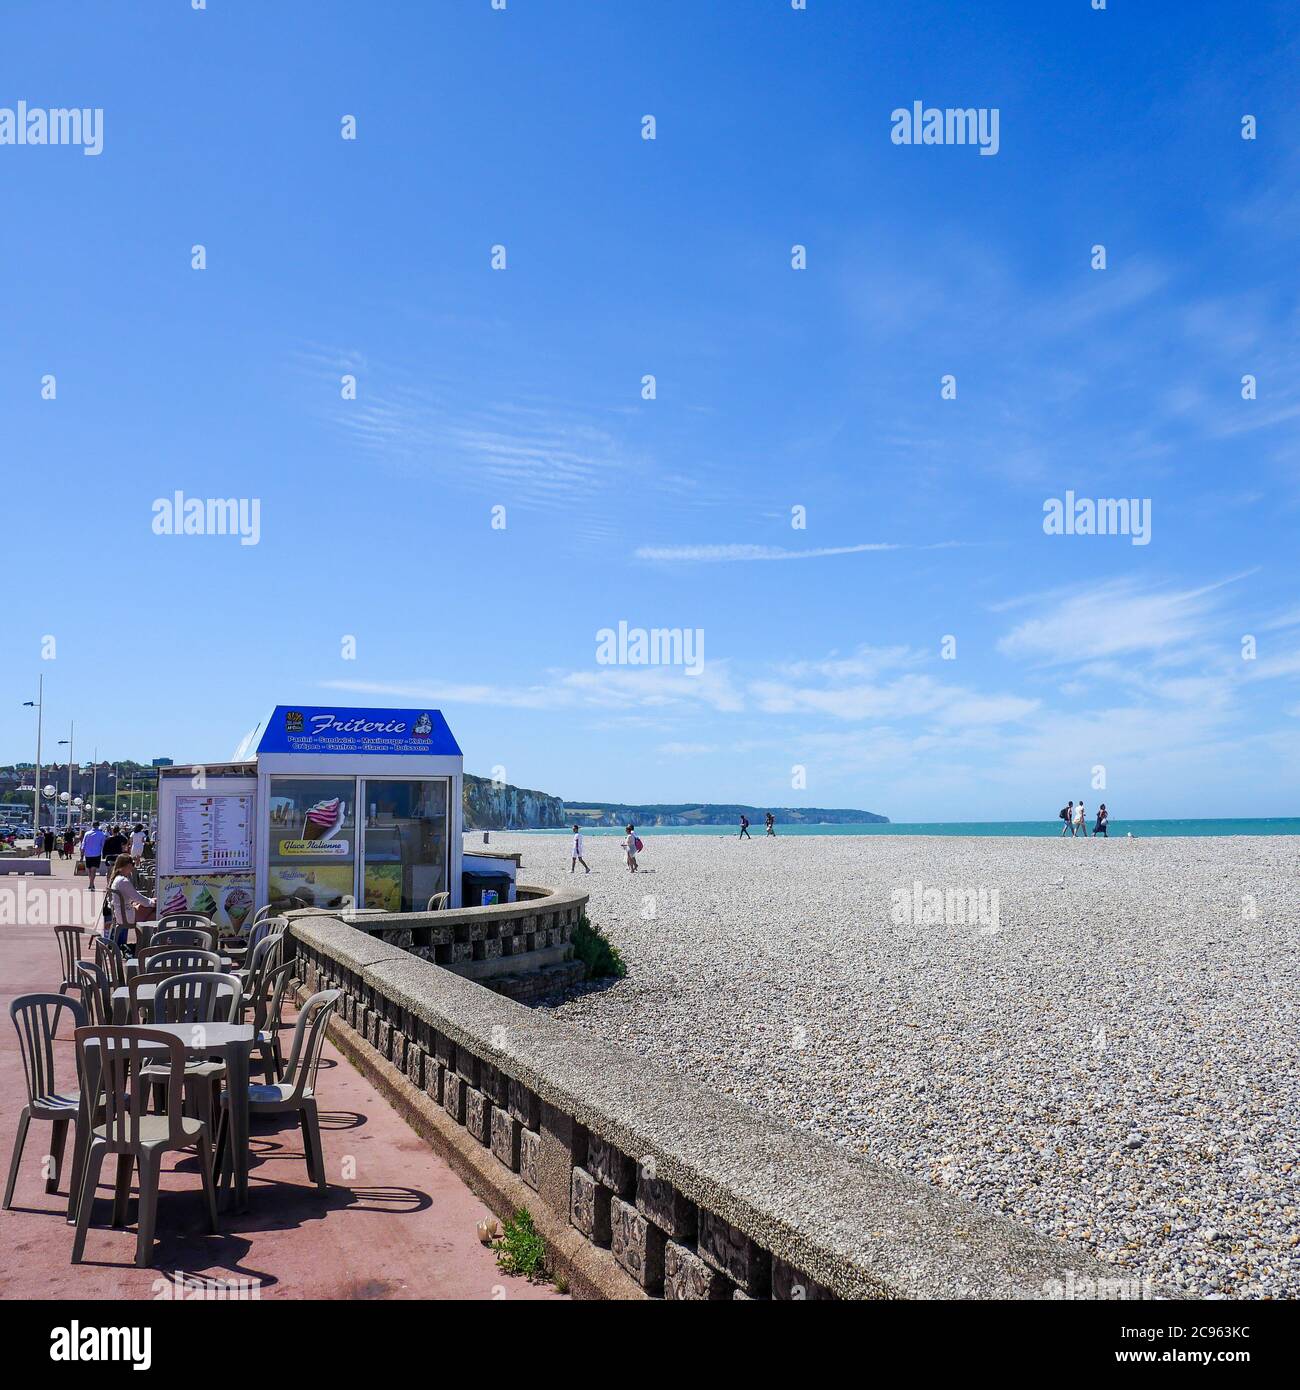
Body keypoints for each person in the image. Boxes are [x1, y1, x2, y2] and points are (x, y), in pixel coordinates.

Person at [106, 853, 155, 947]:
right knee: (153, 913)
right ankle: (144, 944)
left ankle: (142, 944)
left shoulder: (116, 879)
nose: (133, 867)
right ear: (127, 865)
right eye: (132, 865)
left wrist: (148, 902)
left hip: (120, 913)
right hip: (126, 916)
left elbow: (134, 898)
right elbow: (137, 897)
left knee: (149, 913)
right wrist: (152, 902)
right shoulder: (123, 881)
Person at [81, 820, 106, 891]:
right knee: (93, 870)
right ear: (98, 825)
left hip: (88, 853)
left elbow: (83, 844)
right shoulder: (102, 834)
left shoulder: (87, 833)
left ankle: (91, 883)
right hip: (96, 853)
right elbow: (103, 845)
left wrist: (82, 853)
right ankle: (91, 883)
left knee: (89, 869)